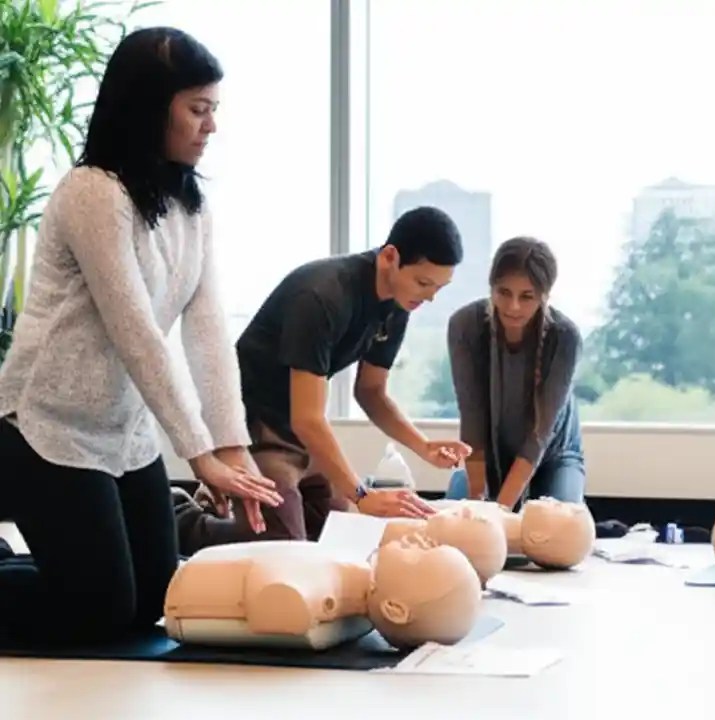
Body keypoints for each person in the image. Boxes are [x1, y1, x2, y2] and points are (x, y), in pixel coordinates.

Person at [0, 27, 283, 643]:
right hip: (45, 427)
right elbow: (137, 333)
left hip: (123, 433)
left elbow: (207, 328)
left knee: (152, 601)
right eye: (198, 110)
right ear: (151, 107)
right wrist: (198, 454)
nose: (211, 127)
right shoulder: (91, 192)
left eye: (214, 111)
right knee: (100, 609)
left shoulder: (191, 206)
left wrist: (231, 446)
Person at [174, 207, 473, 555]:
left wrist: (424, 447)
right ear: (390, 257)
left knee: (337, 537)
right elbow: (308, 418)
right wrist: (361, 494)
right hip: (254, 428)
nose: (430, 296)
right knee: (283, 548)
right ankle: (182, 517)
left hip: (299, 433)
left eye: (439, 287)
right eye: (424, 283)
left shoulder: (400, 304)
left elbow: (371, 392)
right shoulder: (323, 294)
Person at [445, 236, 585, 510]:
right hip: (490, 454)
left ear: (545, 294)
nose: (513, 307)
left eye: (527, 296)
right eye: (504, 292)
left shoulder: (565, 337)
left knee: (556, 533)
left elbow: (539, 436)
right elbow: (472, 418)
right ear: (492, 287)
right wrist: (478, 502)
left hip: (554, 456)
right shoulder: (465, 326)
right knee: (457, 519)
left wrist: (499, 512)